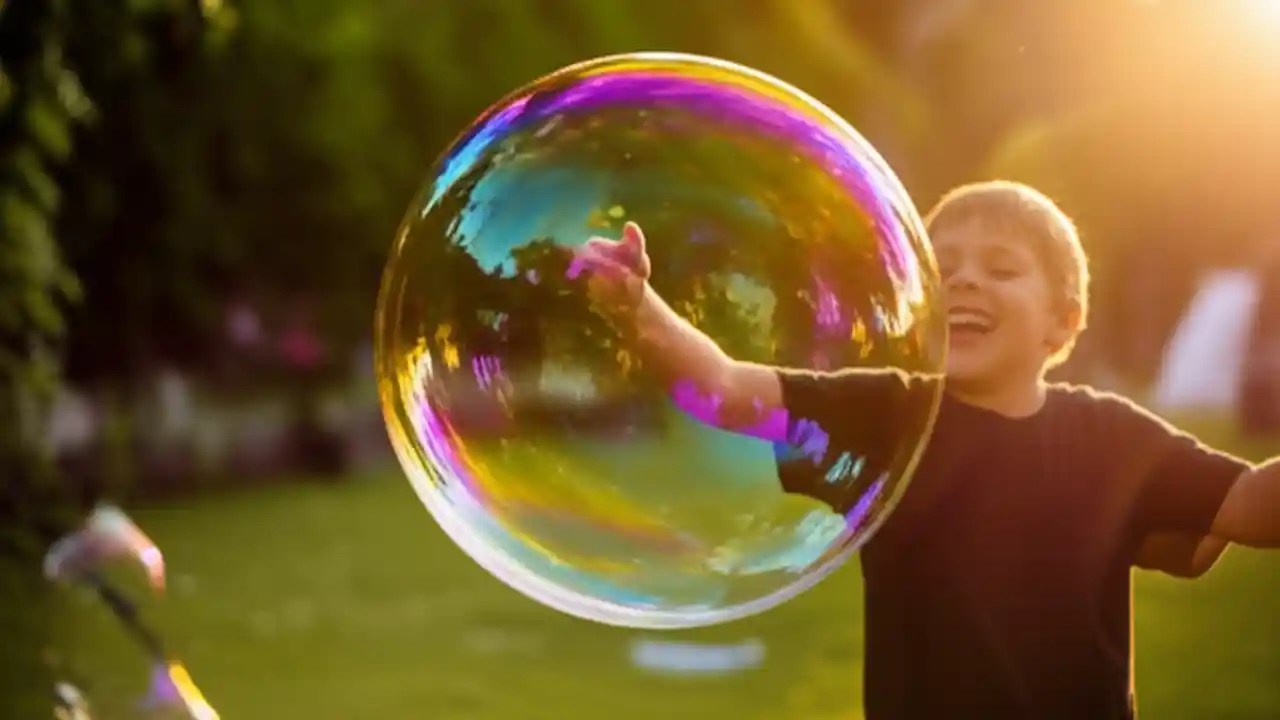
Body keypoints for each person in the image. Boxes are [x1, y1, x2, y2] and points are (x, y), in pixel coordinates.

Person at [568, 180, 1280, 719]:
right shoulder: (888, 414)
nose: (966, 279)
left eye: (1002, 269)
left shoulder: (1112, 439)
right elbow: (725, 387)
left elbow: (1249, 505)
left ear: (1061, 325)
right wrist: (640, 309)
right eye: (945, 269)